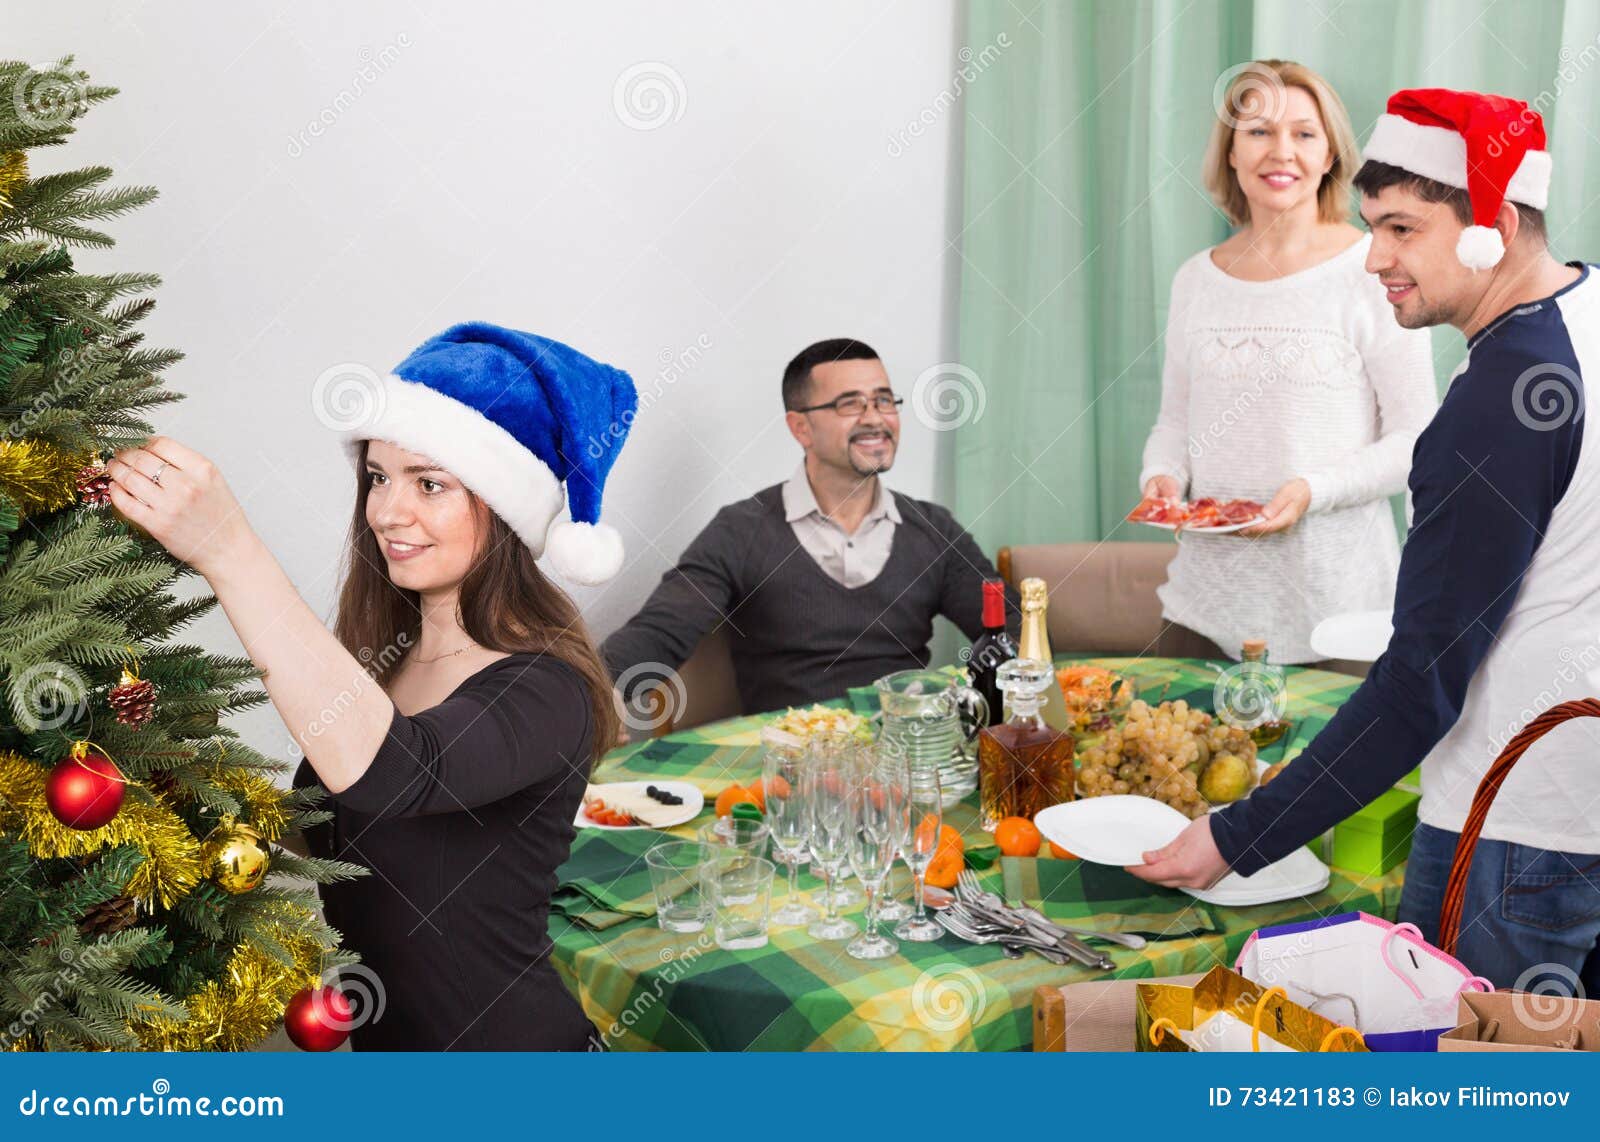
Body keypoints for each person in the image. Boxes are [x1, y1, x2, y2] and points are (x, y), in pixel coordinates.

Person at [1131, 88, 1600, 995]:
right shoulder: (1584, 311)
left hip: (1512, 830)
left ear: (1491, 227)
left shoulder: (1502, 397)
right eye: (1372, 227)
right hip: (1580, 802)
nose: (1375, 257)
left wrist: (1236, 837)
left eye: (1401, 230)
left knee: (1456, 1092)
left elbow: (1421, 679)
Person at [106, 321, 637, 1049]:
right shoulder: (388, 664)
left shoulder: (547, 688)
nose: (387, 511)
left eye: (430, 483)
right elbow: (334, 822)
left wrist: (228, 548)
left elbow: (395, 771)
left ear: (507, 505)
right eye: (378, 478)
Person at [1139, 59, 1437, 667]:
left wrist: (1313, 491)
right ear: (1230, 151)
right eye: (1258, 132)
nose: (1282, 152)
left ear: (1329, 155)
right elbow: (1174, 423)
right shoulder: (1195, 279)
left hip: (1341, 619)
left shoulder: (1375, 271)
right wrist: (1162, 476)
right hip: (1202, 614)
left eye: (1304, 133)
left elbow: (1418, 440)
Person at [602, 338, 1018, 716]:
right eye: (850, 404)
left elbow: (1011, 630)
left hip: (909, 750)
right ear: (801, 427)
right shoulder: (740, 530)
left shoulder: (934, 529)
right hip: (791, 764)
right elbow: (661, 629)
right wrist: (596, 690)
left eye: (885, 401)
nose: (876, 419)